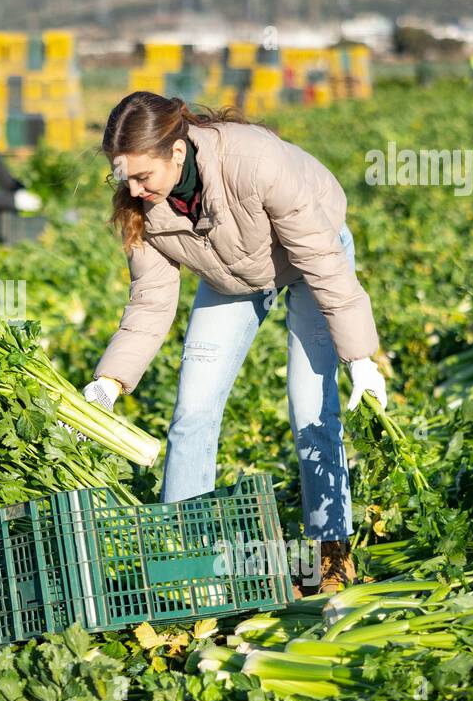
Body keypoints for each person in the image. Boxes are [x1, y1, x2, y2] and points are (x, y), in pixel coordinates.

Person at [84, 92, 389, 595]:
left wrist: (360, 357)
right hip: (232, 278)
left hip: (310, 258)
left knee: (310, 405)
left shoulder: (253, 162)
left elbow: (322, 259)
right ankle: (184, 555)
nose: (134, 190)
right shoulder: (144, 211)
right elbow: (150, 303)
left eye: (143, 177)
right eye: (124, 178)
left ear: (176, 153)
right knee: (192, 410)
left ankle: (330, 549)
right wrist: (109, 381)